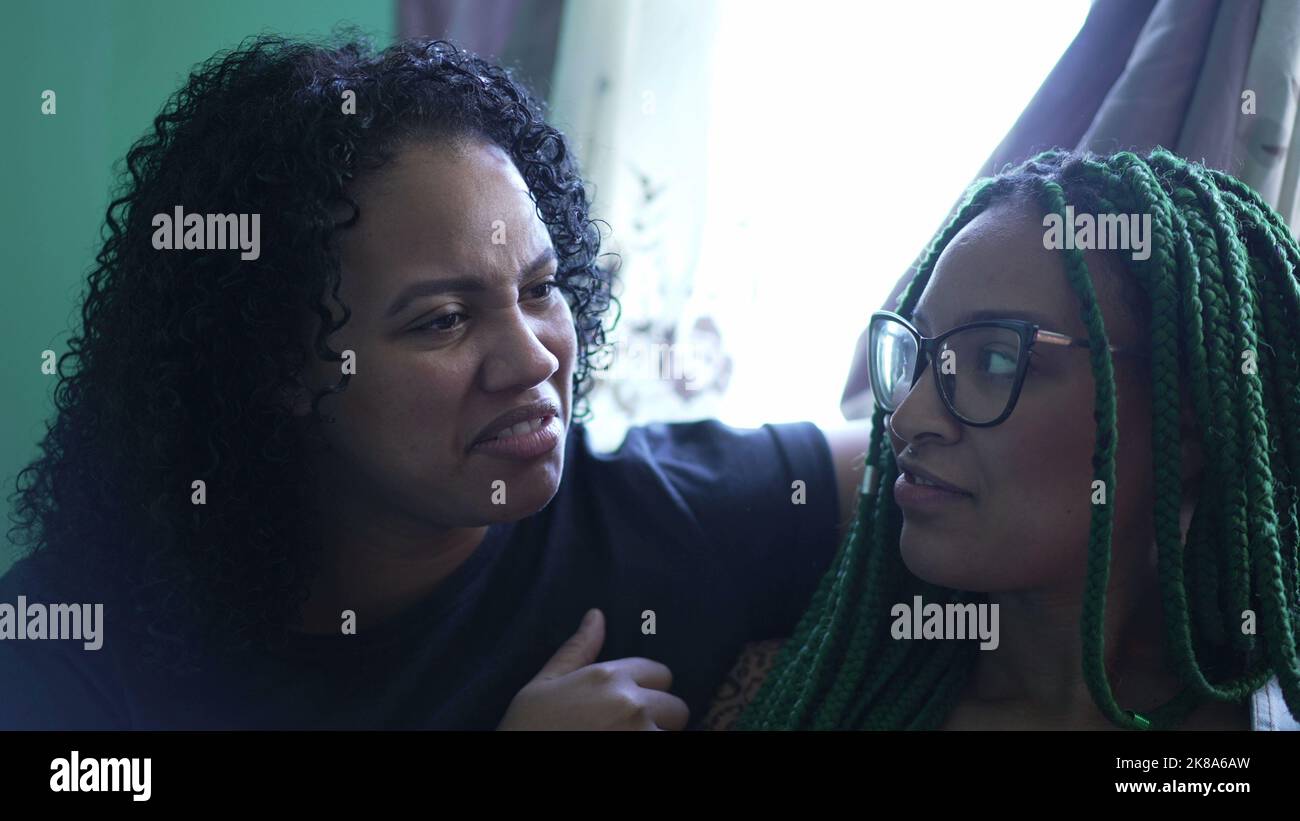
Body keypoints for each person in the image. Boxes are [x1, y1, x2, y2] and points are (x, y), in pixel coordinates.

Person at [0, 35, 869, 730]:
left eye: (540, 289)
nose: (533, 358)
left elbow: (941, 466)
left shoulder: (660, 514)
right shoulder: (75, 641)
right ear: (277, 367)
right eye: (442, 320)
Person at [710, 149, 1300, 730]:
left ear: (1188, 425)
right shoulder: (822, 703)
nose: (908, 418)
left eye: (995, 359)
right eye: (920, 357)